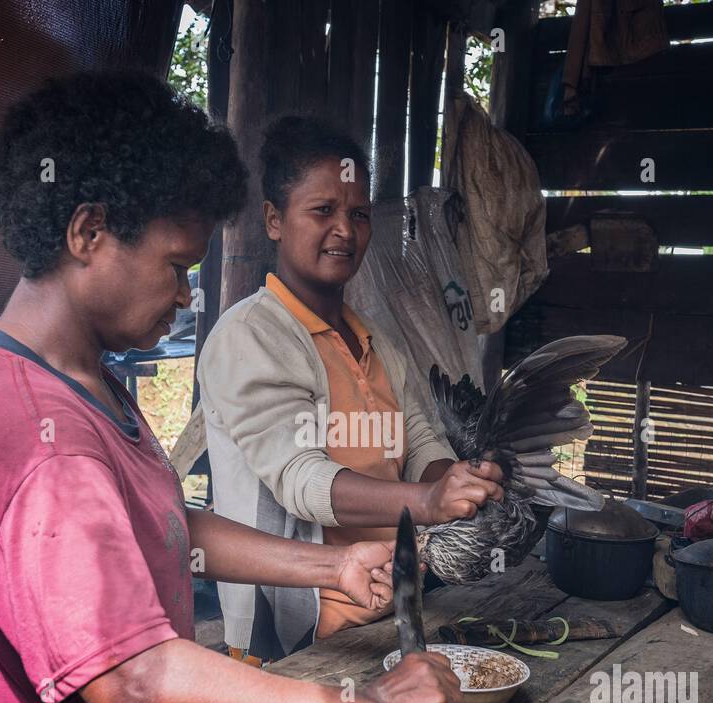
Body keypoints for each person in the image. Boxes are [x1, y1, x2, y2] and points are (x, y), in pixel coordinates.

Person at [0, 72, 463, 703]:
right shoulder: (32, 438)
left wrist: (329, 561)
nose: (190, 293)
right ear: (88, 232)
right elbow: (137, 680)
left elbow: (162, 527)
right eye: (175, 265)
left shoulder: (84, 380)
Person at [198, 116, 504, 663]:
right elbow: (300, 479)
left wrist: (454, 482)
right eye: (323, 211)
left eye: (358, 214)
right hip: (297, 637)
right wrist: (426, 501)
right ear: (273, 220)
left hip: (396, 607)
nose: (345, 229)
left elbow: (417, 438)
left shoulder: (375, 336)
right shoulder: (249, 337)